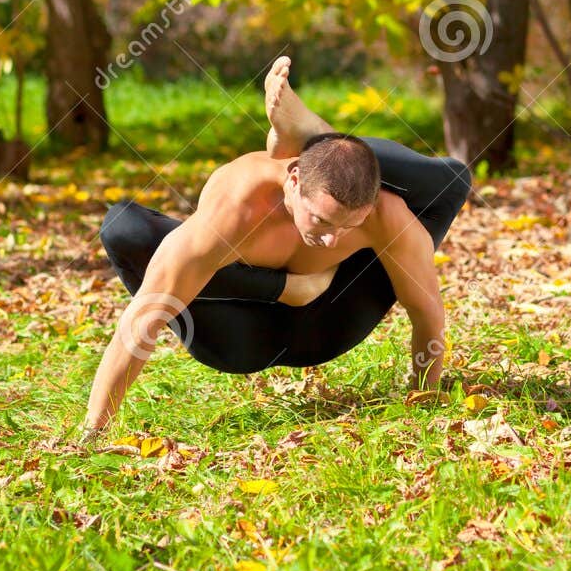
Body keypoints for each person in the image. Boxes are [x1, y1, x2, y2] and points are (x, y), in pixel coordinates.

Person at [81, 57, 472, 440]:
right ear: (293, 179)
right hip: (236, 340)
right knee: (125, 227)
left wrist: (425, 396)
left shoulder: (383, 215)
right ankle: (319, 138)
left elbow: (427, 315)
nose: (331, 240)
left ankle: (318, 135)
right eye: (321, 220)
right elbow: (143, 318)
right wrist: (93, 431)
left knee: (451, 182)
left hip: (328, 327)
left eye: (346, 226)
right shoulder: (235, 207)